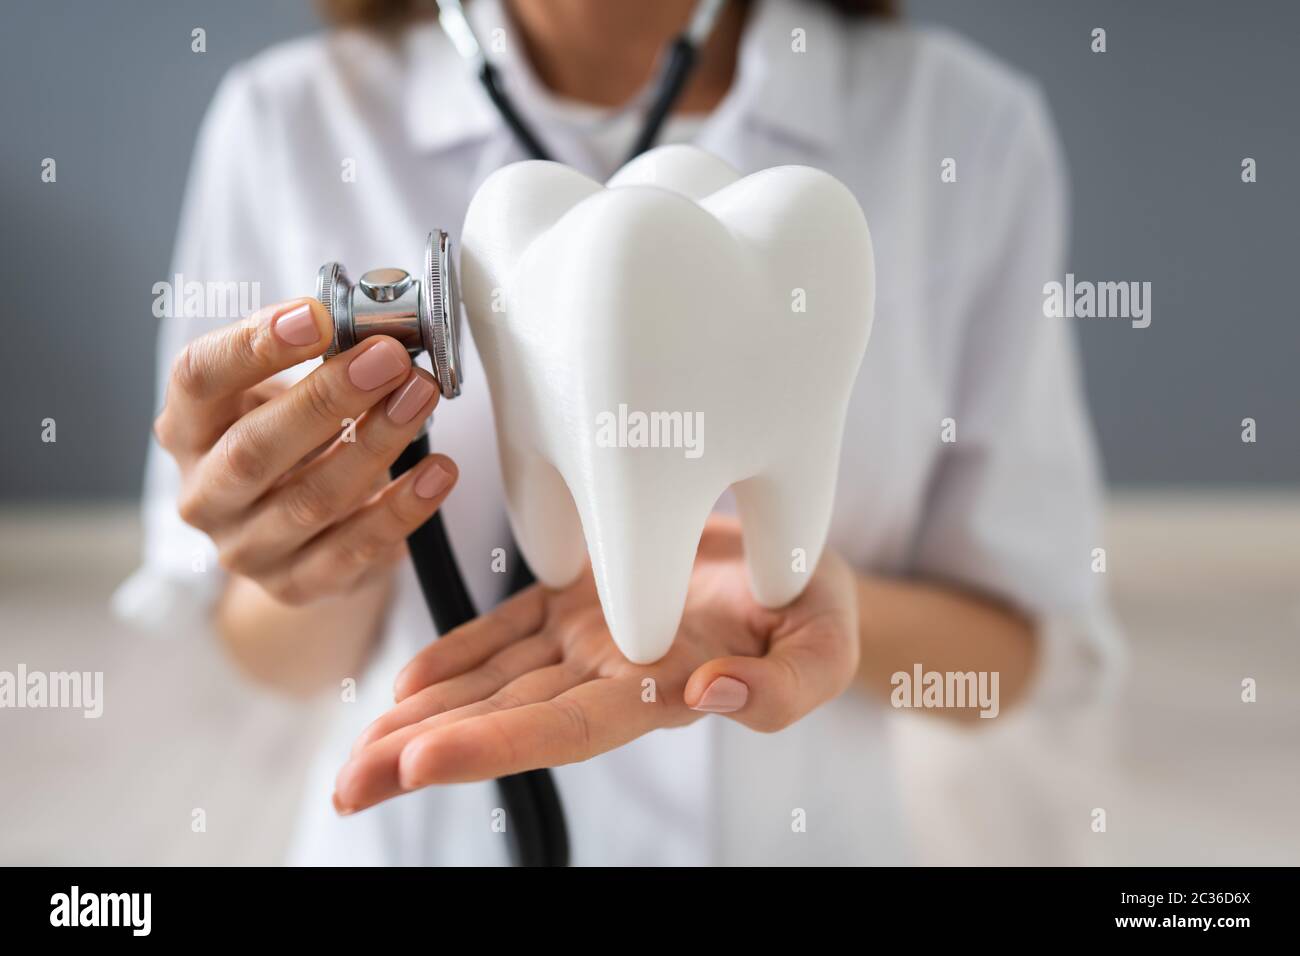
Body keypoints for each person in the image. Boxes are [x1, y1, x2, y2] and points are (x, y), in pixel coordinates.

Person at [123, 0, 1121, 864]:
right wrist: (311, 543)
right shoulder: (286, 120)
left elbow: (1012, 663)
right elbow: (270, 656)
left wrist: (808, 605)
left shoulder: (964, 129)